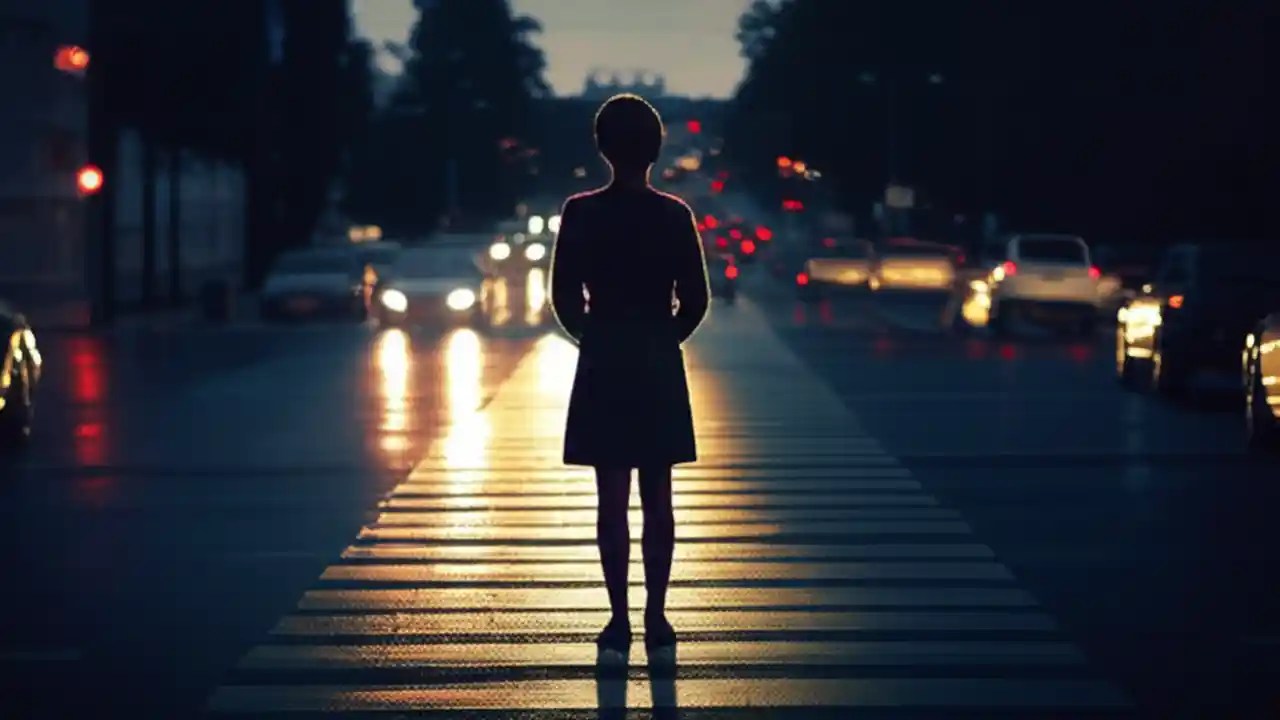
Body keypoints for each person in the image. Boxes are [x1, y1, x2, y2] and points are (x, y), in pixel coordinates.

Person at [548, 94, 711, 662]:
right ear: (657, 149)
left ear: (602, 147)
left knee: (610, 499)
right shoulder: (673, 215)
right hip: (656, 364)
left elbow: (563, 294)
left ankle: (617, 617)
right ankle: (656, 614)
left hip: (604, 360)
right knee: (658, 498)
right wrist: (664, 340)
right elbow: (696, 299)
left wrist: (593, 336)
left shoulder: (581, 212)